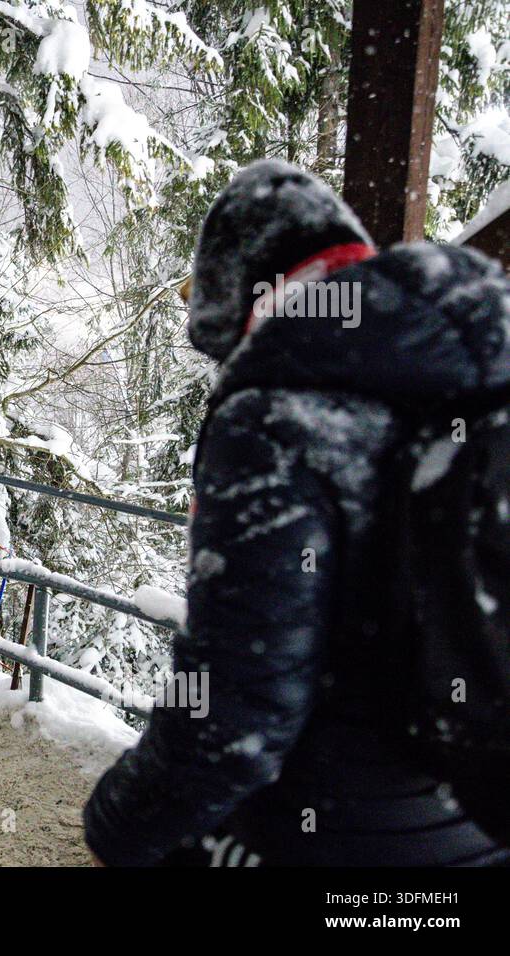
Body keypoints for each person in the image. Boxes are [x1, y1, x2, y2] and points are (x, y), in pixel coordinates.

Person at [83, 159, 510, 867]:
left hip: (328, 836)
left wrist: (115, 823)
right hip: (478, 826)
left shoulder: (276, 419)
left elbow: (232, 710)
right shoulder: (474, 381)